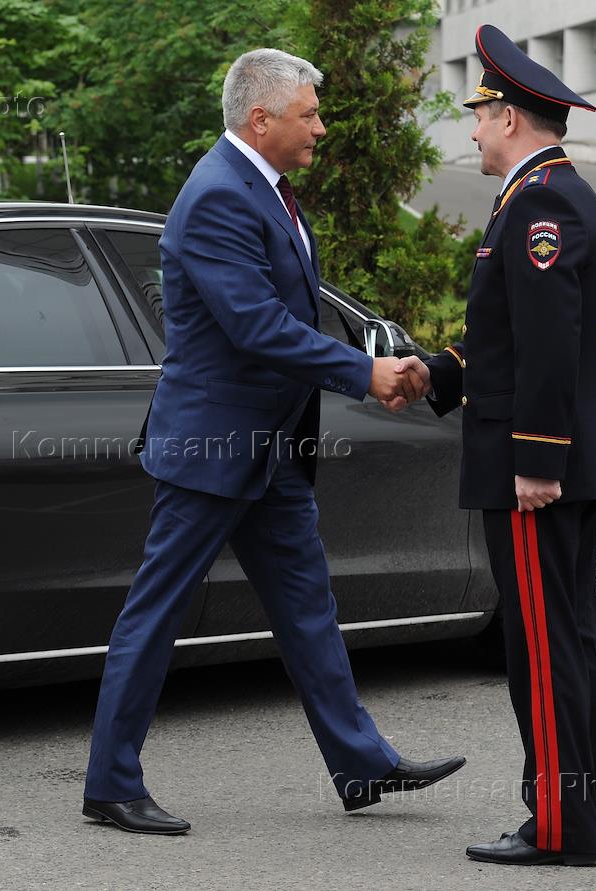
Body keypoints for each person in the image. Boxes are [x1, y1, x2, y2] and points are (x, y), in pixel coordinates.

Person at [81, 47, 465, 835]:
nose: (320, 128)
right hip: (212, 445)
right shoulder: (218, 195)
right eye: (309, 115)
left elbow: (287, 314)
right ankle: (110, 784)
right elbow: (257, 327)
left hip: (271, 448)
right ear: (261, 119)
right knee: (157, 612)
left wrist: (374, 367)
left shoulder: (265, 189)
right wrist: (365, 372)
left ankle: (361, 764)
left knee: (307, 607)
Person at [396, 24, 596, 866]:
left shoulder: (538, 204)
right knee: (572, 641)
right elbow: (509, 337)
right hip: (570, 460)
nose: (472, 132)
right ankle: (583, 821)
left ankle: (562, 829)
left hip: (539, 472)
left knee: (543, 649)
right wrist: (437, 373)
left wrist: (535, 460)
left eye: (478, 115)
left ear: (509, 118)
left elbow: (550, 346)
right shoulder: (553, 194)